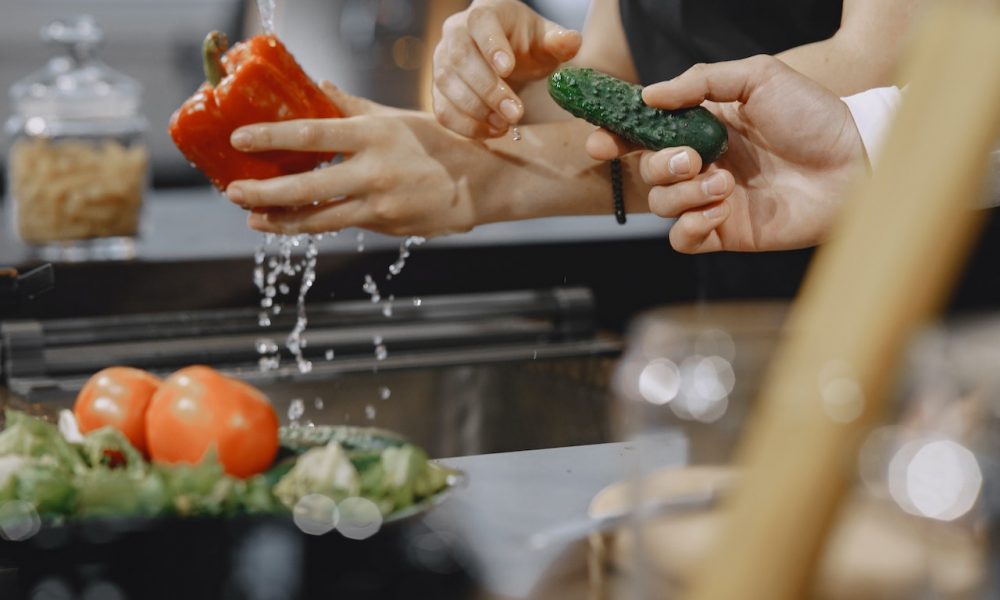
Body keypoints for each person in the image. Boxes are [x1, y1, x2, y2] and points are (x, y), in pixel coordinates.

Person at [225, 0, 916, 252]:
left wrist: (494, 177)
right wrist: (514, 87)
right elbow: (616, 78)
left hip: (892, 260)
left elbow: (872, 72)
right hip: (716, 248)